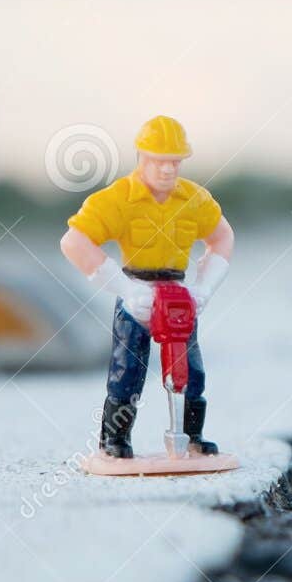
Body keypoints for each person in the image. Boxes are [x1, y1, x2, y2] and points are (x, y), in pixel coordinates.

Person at [59, 116, 235, 458]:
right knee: (128, 372)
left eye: (174, 161)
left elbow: (223, 237)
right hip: (137, 292)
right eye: (158, 160)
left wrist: (206, 287)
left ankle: (192, 437)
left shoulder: (194, 199)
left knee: (191, 371)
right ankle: (114, 440)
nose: (167, 170)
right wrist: (125, 290)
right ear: (142, 156)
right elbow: (74, 241)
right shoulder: (119, 198)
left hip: (180, 296)